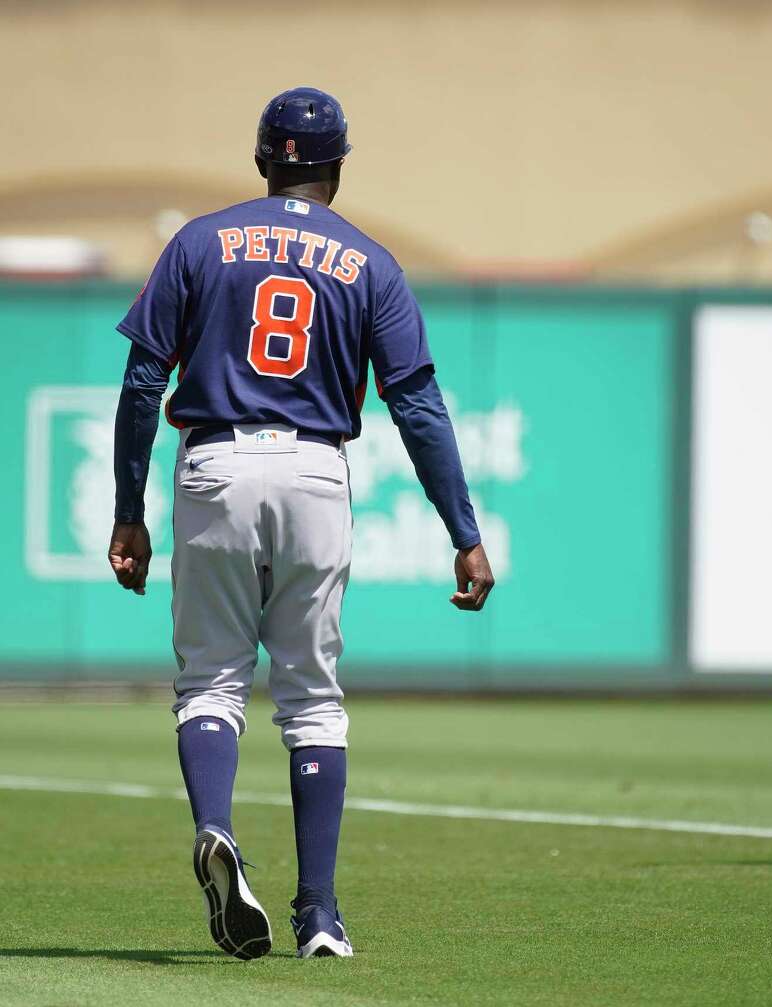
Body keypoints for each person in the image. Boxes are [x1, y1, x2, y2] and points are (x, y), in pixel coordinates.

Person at [107, 86, 495, 958]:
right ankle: (318, 912)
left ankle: (217, 829)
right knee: (312, 698)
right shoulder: (370, 261)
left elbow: (141, 383)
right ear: (338, 168)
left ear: (261, 159)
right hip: (317, 469)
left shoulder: (200, 240)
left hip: (213, 462)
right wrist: (462, 530)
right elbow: (418, 405)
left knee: (211, 681)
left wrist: (130, 511)